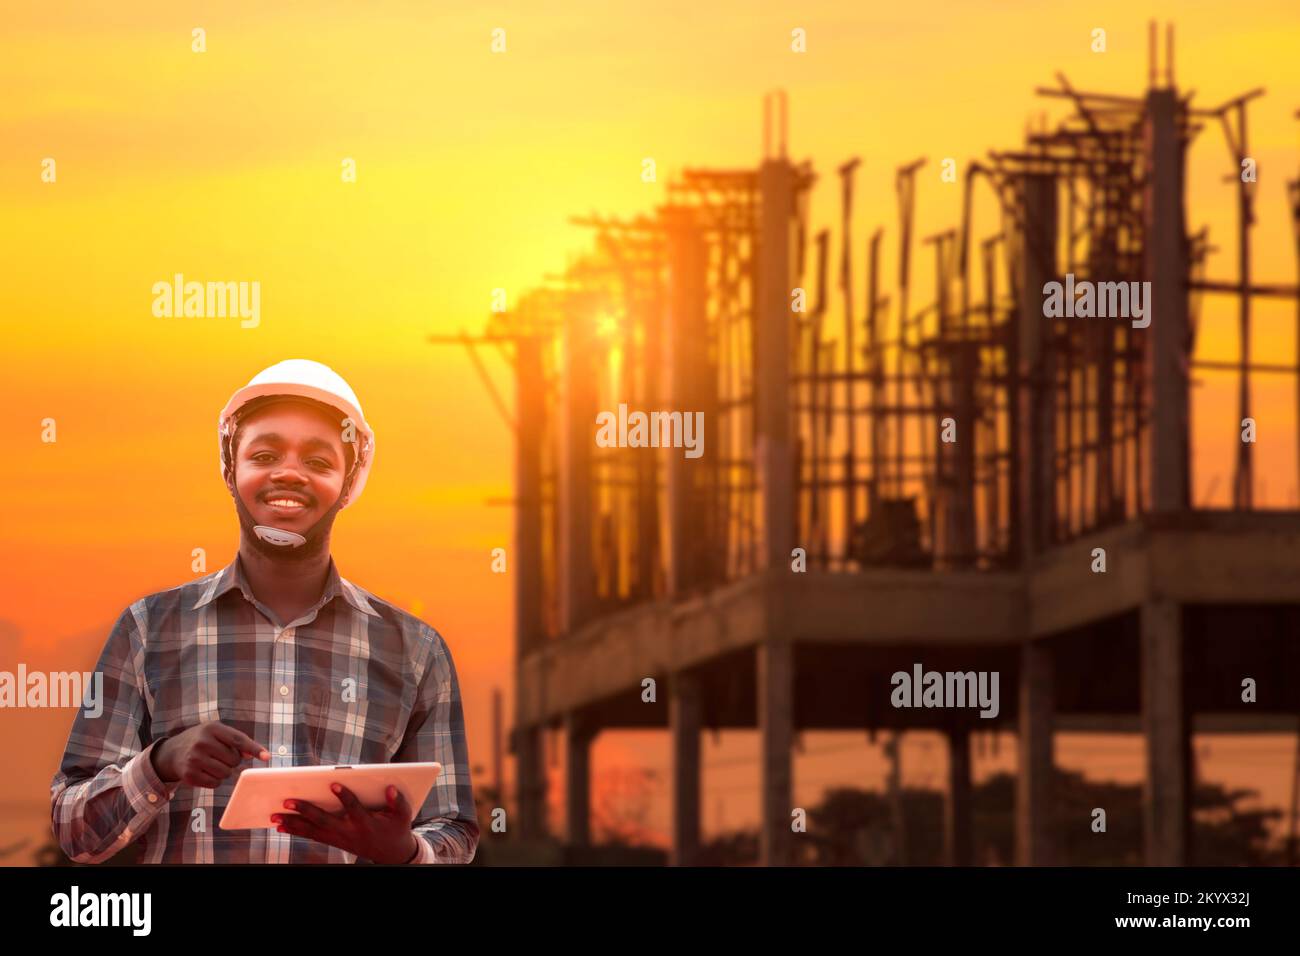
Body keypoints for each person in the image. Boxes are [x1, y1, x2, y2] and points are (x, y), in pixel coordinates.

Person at [50, 359, 478, 864]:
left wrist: (408, 852)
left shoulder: (416, 651)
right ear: (231, 471)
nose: (289, 473)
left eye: (319, 462)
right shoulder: (148, 630)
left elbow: (453, 830)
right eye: (265, 454)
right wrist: (160, 764)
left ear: (348, 483)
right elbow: (75, 829)